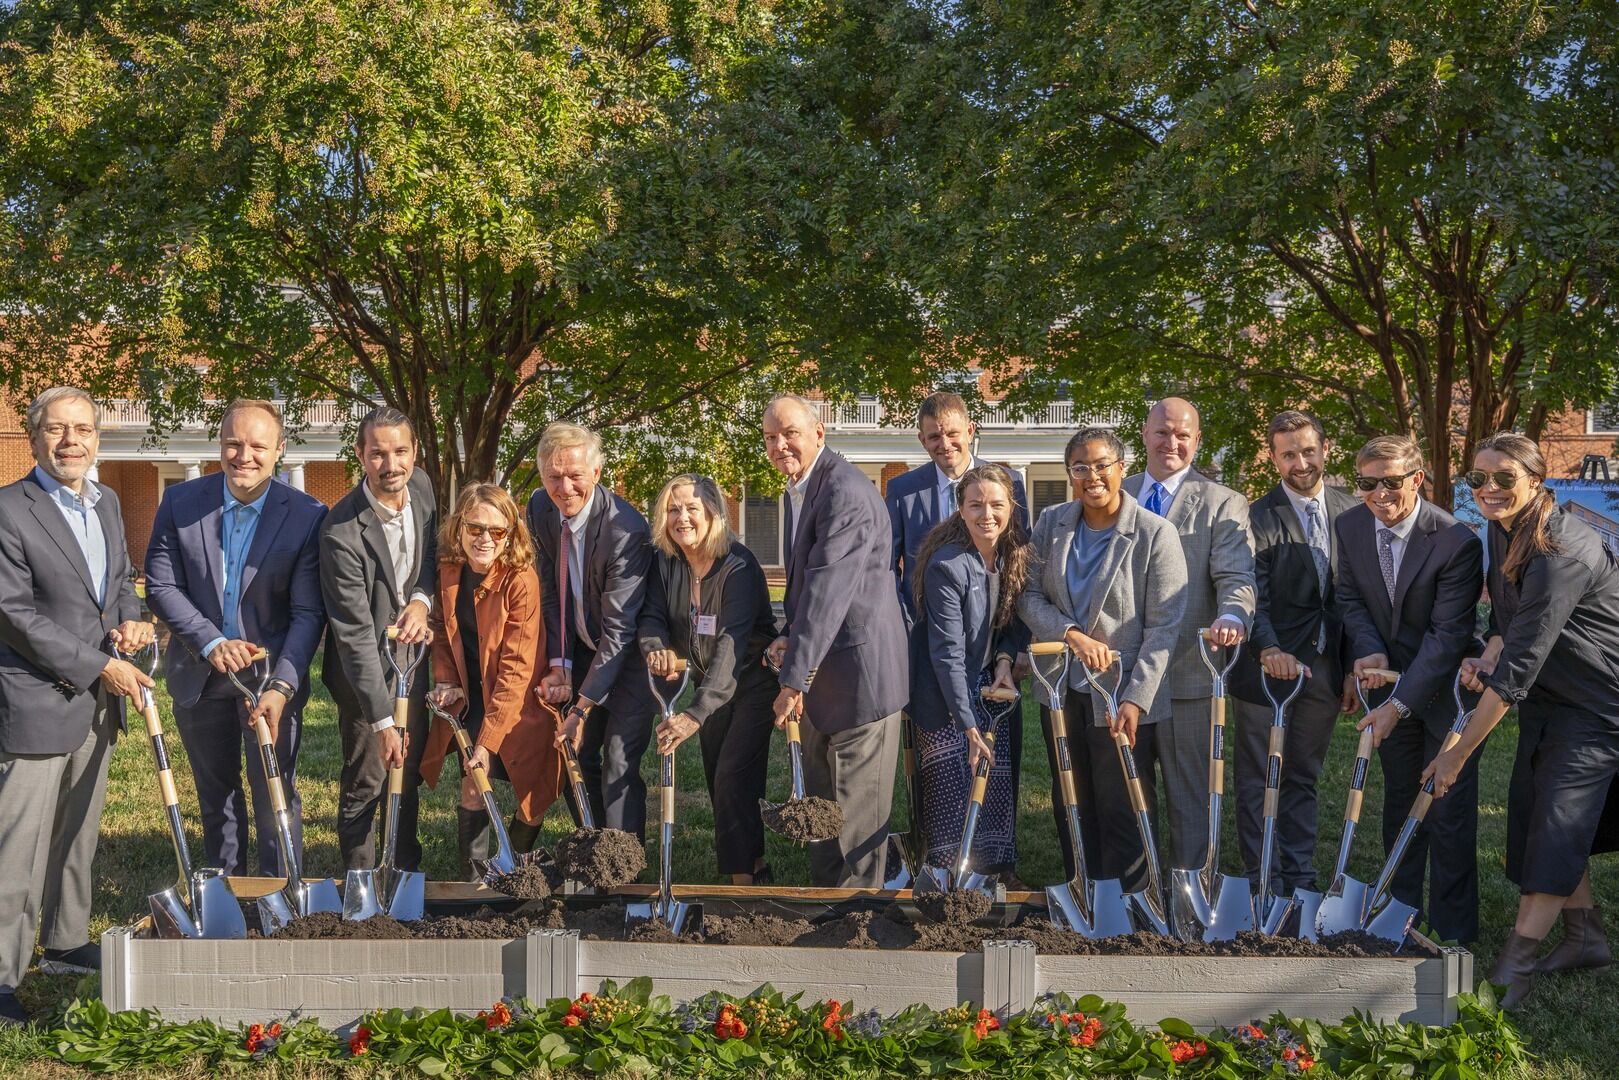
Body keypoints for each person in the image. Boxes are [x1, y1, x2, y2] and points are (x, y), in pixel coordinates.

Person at [1426, 433, 1619, 1007]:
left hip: (1600, 706)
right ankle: (1584, 938)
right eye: (1478, 479)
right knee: (1538, 814)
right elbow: (1510, 619)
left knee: (1559, 823)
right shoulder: (1503, 526)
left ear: (1537, 480)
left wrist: (1457, 753)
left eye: (1504, 478)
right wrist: (1491, 646)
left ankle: (1518, 961)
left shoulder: (1561, 552)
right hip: (1552, 697)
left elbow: (1517, 672)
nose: (1488, 489)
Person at [0, 387, 153, 1024]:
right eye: (57, 429)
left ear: (97, 438)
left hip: (95, 703)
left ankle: (64, 940)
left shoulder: (107, 500)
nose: (71, 441)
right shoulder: (8, 510)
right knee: (19, 844)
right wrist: (100, 665)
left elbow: (117, 584)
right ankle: (2, 976)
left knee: (78, 830)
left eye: (83, 429)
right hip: (36, 699)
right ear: (34, 437)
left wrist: (133, 620)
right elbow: (14, 615)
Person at [143, 399, 328, 878]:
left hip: (269, 682)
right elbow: (161, 585)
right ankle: (227, 892)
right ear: (219, 445)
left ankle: (279, 894)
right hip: (198, 673)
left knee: (274, 793)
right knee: (216, 795)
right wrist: (211, 642)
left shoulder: (307, 515)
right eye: (233, 444)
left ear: (279, 450)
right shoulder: (181, 504)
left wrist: (282, 686)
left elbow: (308, 612)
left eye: (258, 447)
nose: (244, 456)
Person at [1018, 427, 1187, 888]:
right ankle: (1084, 892)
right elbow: (1027, 595)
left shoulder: (1155, 533)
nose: (1091, 476)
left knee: (1123, 803)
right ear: (1069, 474)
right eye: (1080, 468)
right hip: (1060, 690)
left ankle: (1134, 901)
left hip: (1120, 694)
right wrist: (1071, 635)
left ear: (1121, 468)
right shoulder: (1052, 523)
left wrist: (1136, 699)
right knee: (1071, 799)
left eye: (1101, 465)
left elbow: (1164, 627)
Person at [1335, 435, 1483, 942]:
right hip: (1387, 683)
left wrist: (1399, 705)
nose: (1379, 494)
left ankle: (1453, 932)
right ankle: (1400, 918)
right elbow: (1350, 597)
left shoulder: (1456, 541)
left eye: (1391, 482)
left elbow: (1447, 638)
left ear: (1416, 479)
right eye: (1367, 483)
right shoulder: (1349, 526)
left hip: (1448, 690)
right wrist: (1370, 648)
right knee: (1400, 800)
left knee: (1448, 806)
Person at [763, 394, 908, 888]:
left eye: (790, 433)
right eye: (770, 437)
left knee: (855, 823)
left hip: (861, 679)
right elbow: (806, 588)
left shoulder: (843, 491)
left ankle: (860, 917)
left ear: (819, 433)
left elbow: (828, 592)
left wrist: (793, 681)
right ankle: (826, 908)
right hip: (826, 674)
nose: (780, 445)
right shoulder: (802, 487)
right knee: (823, 810)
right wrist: (790, 636)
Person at [1121, 397, 1255, 870]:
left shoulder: (1223, 502)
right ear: (1144, 434)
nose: (1171, 443)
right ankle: (1139, 897)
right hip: (1121, 678)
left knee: (1190, 802)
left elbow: (1237, 577)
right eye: (1162, 432)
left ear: (1197, 441)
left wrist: (1233, 617)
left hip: (1188, 676)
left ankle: (1191, 894)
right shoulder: (1117, 493)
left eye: (1182, 435)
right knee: (1129, 801)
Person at [1230, 410, 1357, 900]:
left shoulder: (1353, 511)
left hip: (1326, 667)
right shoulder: (1256, 516)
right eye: (1288, 455)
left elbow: (1358, 598)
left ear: (1326, 449)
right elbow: (1252, 593)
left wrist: (1351, 666)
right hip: (1267, 668)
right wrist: (1268, 648)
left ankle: (1300, 879)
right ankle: (1262, 879)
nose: (1300, 463)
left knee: (1303, 774)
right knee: (1259, 777)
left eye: (1307, 451)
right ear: (1273, 458)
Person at [639, 474, 778, 884]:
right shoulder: (666, 562)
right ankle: (754, 865)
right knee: (721, 778)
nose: (681, 518)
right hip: (708, 683)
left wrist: (694, 715)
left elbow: (731, 646)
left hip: (751, 681)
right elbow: (651, 615)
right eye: (673, 509)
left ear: (714, 513)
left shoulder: (739, 566)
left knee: (733, 775)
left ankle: (741, 888)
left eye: (691, 508)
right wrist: (656, 647)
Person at [421, 484, 561, 879]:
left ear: (511, 534)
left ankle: (512, 870)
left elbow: (517, 669)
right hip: (472, 691)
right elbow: (441, 632)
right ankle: (473, 883)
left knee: (534, 795)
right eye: (476, 528)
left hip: (518, 698)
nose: (485, 539)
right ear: (459, 527)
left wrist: (487, 741)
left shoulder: (521, 580)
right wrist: (446, 680)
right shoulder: (449, 571)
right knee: (473, 780)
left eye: (497, 531)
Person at [320, 407, 437, 871]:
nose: (391, 465)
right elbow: (352, 634)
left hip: (412, 663)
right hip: (363, 675)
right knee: (367, 781)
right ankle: (361, 880)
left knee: (405, 774)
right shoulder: (340, 531)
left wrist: (421, 600)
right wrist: (382, 722)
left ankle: (403, 869)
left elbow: (431, 554)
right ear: (360, 455)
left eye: (400, 451)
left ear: (415, 451)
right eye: (378, 454)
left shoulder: (422, 487)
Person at [526, 423, 655, 837]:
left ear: (596, 473)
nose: (564, 488)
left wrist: (580, 710)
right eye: (553, 476)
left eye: (575, 475)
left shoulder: (626, 530)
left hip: (630, 657)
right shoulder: (540, 508)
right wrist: (560, 664)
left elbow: (619, 631)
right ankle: (597, 848)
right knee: (575, 754)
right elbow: (551, 592)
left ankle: (626, 864)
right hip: (583, 649)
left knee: (618, 760)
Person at [908, 464, 1028, 879]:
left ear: (1011, 507)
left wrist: (1005, 661)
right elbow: (947, 654)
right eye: (975, 505)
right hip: (944, 694)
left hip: (989, 685)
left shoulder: (1011, 556)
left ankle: (993, 877)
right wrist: (968, 726)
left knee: (993, 785)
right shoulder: (947, 565)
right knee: (953, 793)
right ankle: (947, 879)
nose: (986, 514)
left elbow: (1013, 624)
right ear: (960, 510)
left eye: (996, 504)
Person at [888, 391, 1030, 630]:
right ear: (922, 440)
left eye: (953, 433)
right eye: (934, 437)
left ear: (970, 431)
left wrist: (1015, 637)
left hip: (993, 628)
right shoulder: (903, 490)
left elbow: (1021, 557)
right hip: (924, 629)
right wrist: (903, 621)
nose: (945, 445)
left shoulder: (1010, 482)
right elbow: (888, 565)